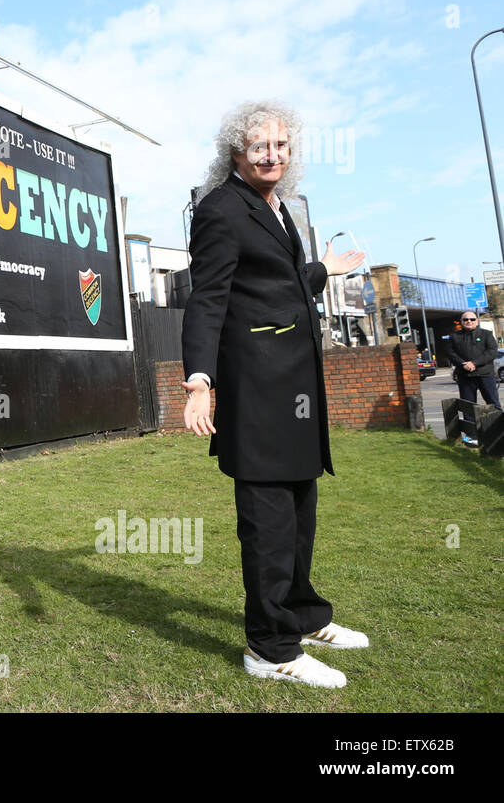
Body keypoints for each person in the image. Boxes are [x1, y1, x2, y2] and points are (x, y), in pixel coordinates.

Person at [181, 100, 369, 689]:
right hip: (257, 393)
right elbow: (208, 298)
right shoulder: (219, 210)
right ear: (236, 150)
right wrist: (199, 381)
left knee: (300, 513)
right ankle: (270, 650)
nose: (273, 155)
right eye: (261, 146)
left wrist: (322, 270)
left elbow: (277, 284)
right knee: (267, 524)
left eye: (282, 146)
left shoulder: (275, 207)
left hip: (296, 393)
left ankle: (304, 616)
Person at [445, 310, 500, 411]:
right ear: (461, 322)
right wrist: (462, 364)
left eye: (472, 319)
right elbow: (450, 353)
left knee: (494, 404)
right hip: (465, 375)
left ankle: (499, 426)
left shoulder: (486, 334)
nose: (469, 321)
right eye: (465, 319)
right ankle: (471, 426)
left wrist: (474, 363)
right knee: (468, 407)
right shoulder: (454, 337)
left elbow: (492, 352)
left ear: (477, 321)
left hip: (485, 374)